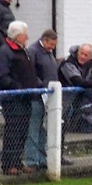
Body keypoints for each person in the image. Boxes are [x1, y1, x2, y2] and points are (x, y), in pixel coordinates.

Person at [0, 21, 38, 175]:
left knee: (22, 131)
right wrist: (18, 88)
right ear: (18, 36)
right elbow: (1, 75)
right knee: (13, 131)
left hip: (26, 97)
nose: (27, 37)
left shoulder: (22, 50)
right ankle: (8, 164)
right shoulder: (5, 52)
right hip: (13, 99)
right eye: (25, 34)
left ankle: (18, 161)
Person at [25, 28, 62, 170]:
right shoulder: (33, 51)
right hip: (38, 96)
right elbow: (30, 73)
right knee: (34, 128)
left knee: (42, 130)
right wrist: (41, 86)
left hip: (48, 95)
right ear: (45, 40)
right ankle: (32, 161)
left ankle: (42, 159)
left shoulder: (48, 53)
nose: (52, 48)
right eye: (51, 44)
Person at [59, 43, 92, 132]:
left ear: (90, 57)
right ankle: (66, 127)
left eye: (86, 55)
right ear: (78, 52)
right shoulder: (68, 62)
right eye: (81, 53)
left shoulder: (91, 64)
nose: (83, 57)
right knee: (67, 110)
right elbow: (78, 82)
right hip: (66, 94)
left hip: (81, 93)